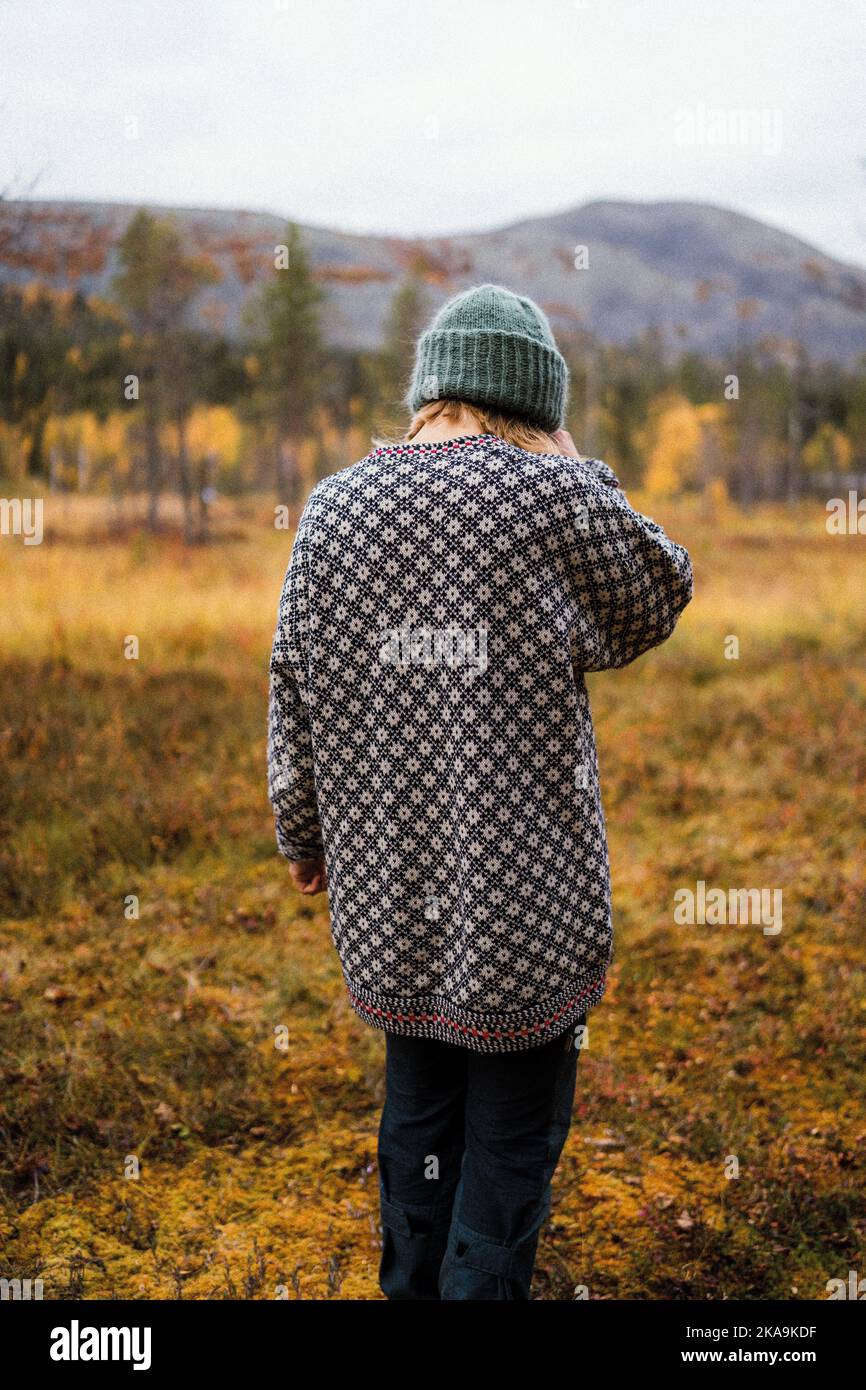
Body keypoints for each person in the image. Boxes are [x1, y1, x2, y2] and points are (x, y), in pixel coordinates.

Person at [268, 283, 693, 1299]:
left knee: (415, 1118)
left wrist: (302, 834)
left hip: (386, 892)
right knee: (505, 1153)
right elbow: (660, 585)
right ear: (535, 404)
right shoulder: (548, 500)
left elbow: (291, 684)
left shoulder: (331, 509)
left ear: (428, 389)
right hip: (524, 911)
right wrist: (575, 467)